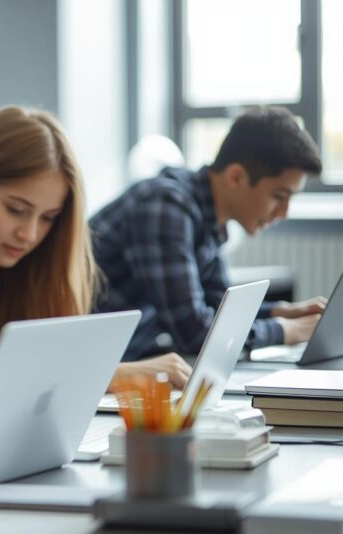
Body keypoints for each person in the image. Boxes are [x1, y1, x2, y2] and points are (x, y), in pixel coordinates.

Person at [0, 106, 191, 406]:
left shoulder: (17, 272)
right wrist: (125, 373)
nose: (29, 234)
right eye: (16, 210)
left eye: (48, 217)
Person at [91, 106, 325, 360]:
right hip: (93, 364)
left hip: (125, 358)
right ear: (236, 177)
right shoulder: (164, 206)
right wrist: (284, 331)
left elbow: (217, 308)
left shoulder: (206, 217)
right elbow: (195, 335)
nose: (284, 213)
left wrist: (281, 313)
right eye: (279, 196)